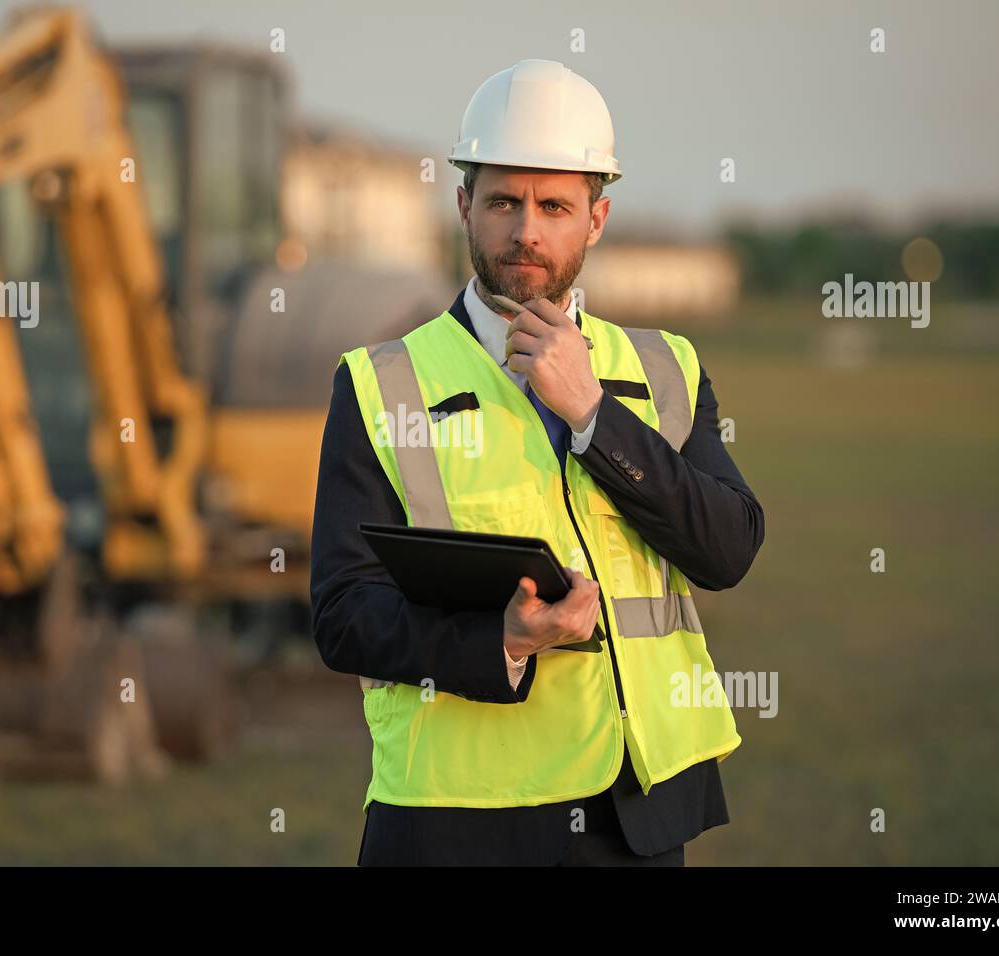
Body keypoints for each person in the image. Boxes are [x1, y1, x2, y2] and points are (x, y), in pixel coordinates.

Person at [310, 59, 765, 865]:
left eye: (555, 205)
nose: (527, 230)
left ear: (597, 217)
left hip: (633, 819)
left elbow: (727, 549)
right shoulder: (380, 385)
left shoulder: (666, 368)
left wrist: (595, 417)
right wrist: (504, 644)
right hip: (457, 821)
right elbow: (343, 616)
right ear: (463, 206)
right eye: (503, 201)